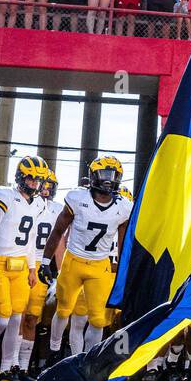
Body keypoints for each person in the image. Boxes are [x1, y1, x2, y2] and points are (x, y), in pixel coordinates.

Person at [43, 157, 133, 368]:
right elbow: (58, 231)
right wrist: (45, 261)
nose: (109, 181)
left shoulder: (123, 206)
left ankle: (89, 361)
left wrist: (124, 270)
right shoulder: (77, 198)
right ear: (93, 176)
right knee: (64, 310)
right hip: (73, 260)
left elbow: (122, 243)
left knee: (98, 319)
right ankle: (54, 352)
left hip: (99, 265)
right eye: (105, 175)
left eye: (113, 176)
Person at [0, 155, 51, 381]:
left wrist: (32, 268)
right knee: (2, 320)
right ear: (20, 176)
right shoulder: (3, 195)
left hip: (20, 266)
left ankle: (6, 369)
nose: (35, 183)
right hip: (0, 263)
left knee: (17, 318)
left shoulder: (38, 204)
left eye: (38, 180)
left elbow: (31, 239)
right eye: (30, 178)